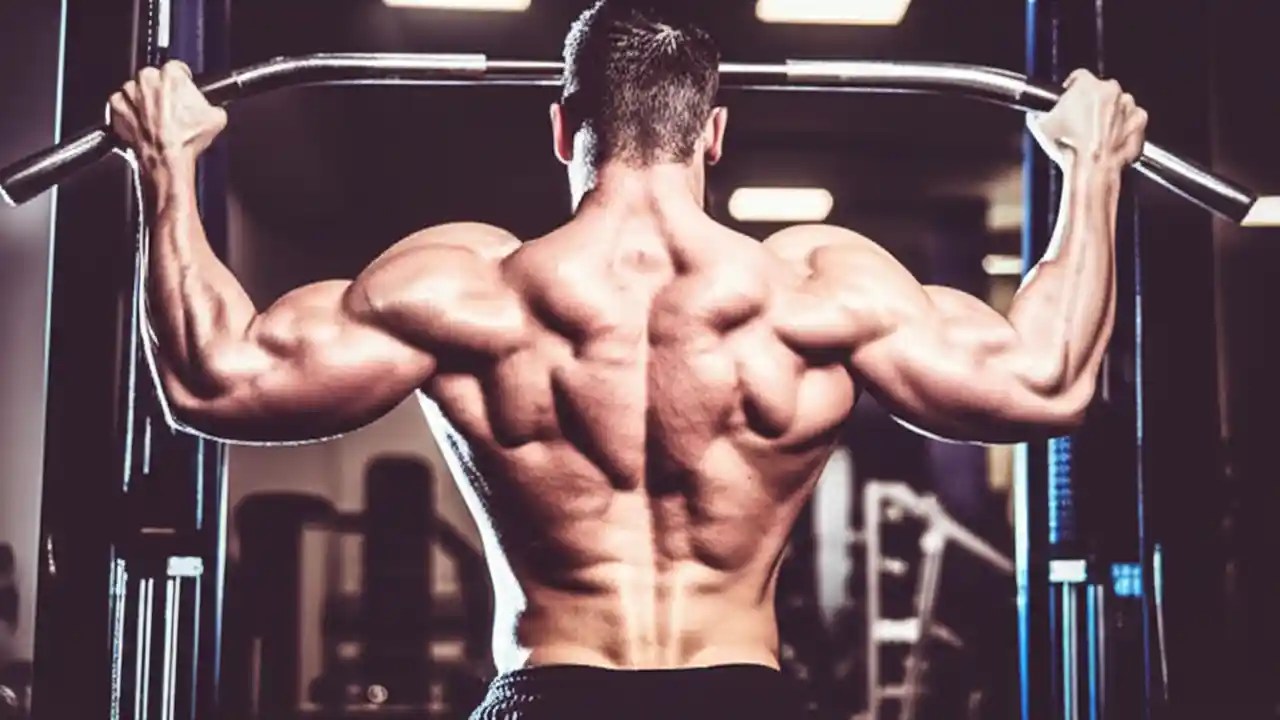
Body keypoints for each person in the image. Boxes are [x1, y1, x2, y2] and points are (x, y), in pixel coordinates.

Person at [106, 1, 1147, 716]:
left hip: (548, 694)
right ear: (715, 132)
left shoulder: (468, 289)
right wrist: (1090, 172)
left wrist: (168, 165)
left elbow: (213, 378)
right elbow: (1047, 378)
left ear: (563, 128)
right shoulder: (814, 292)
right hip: (743, 694)